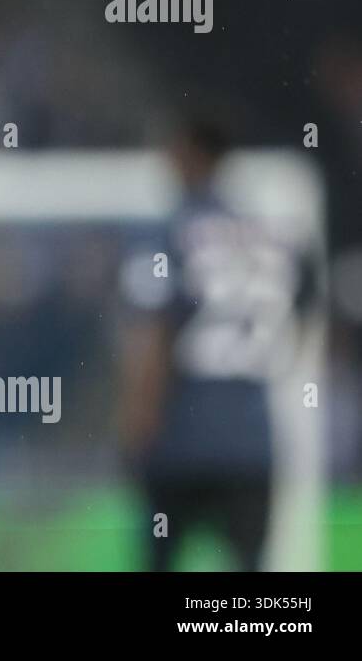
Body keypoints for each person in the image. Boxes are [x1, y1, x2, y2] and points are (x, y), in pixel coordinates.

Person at [118, 117, 315, 571]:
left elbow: (153, 332)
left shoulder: (171, 232)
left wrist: (137, 422)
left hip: (180, 437)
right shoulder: (277, 237)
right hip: (251, 439)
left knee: (161, 558)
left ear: (190, 153)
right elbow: (302, 318)